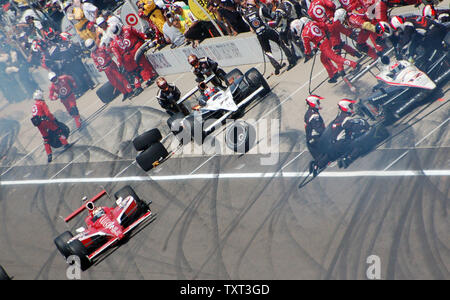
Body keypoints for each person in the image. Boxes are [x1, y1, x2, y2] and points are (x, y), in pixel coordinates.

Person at [240, 0, 297, 75]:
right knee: (280, 42)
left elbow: (251, 29)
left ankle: (276, 66)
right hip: (267, 30)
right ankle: (291, 59)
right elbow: (271, 18)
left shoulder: (244, 17)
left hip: (259, 35)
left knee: (267, 51)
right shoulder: (259, 9)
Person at [297, 17, 359, 83]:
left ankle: (354, 65)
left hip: (323, 46)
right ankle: (333, 75)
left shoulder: (304, 34)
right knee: (323, 59)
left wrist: (308, 54)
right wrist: (326, 33)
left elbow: (307, 47)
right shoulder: (312, 23)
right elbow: (323, 26)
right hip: (327, 39)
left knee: (336, 58)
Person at [109, 23, 158, 95]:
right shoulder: (116, 40)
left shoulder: (128, 28)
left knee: (142, 62)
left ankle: (151, 75)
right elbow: (118, 55)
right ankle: (143, 81)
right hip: (129, 54)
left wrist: (146, 38)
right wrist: (120, 63)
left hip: (136, 46)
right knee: (135, 69)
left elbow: (138, 33)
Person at [31, 89, 70, 163]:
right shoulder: (42, 103)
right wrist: (53, 119)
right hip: (45, 121)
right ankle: (65, 144)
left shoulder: (34, 106)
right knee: (57, 131)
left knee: (46, 138)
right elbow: (48, 113)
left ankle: (49, 154)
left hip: (38, 124)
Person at [304, 95, 325, 162]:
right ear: (313, 103)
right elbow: (318, 129)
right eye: (318, 101)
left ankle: (316, 165)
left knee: (320, 160)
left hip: (311, 139)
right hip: (316, 139)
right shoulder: (314, 115)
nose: (319, 103)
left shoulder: (310, 112)